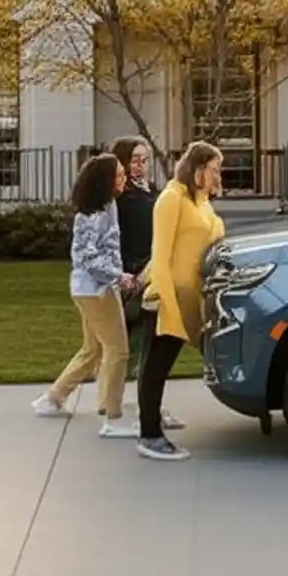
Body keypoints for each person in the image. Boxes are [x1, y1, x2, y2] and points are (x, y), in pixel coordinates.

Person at [31, 153, 138, 438]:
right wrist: (119, 276)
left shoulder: (108, 206)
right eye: (118, 174)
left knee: (93, 349)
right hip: (96, 291)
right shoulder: (92, 216)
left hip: (90, 289)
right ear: (105, 181)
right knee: (118, 350)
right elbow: (87, 258)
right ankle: (113, 420)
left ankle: (52, 399)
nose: (123, 177)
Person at [136, 141, 226, 461]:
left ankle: (152, 419)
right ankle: (149, 435)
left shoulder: (200, 201)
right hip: (167, 297)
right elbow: (160, 256)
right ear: (198, 168)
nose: (218, 174)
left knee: (161, 365)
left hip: (190, 298)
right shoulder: (171, 198)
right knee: (154, 368)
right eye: (214, 169)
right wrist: (168, 304)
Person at [109, 137, 185, 430]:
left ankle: (145, 406)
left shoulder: (150, 190)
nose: (141, 165)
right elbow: (123, 239)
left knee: (144, 345)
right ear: (124, 163)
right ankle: (123, 408)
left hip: (155, 271)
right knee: (133, 346)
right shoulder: (122, 198)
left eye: (145, 160)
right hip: (137, 275)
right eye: (136, 160)